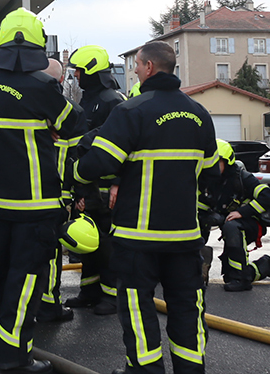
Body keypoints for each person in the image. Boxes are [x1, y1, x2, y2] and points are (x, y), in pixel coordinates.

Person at [74, 41, 218, 374]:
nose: (135, 71)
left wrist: (75, 171)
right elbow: (211, 173)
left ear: (149, 67)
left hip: (138, 237)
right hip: (184, 239)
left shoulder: (132, 111)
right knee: (187, 310)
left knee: (138, 310)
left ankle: (144, 370)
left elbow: (99, 163)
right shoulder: (199, 114)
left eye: (137, 65)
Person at [0, 9, 85, 373]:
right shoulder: (41, 87)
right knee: (25, 280)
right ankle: (13, 357)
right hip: (36, 207)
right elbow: (73, 123)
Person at [64, 45, 126, 316]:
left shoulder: (113, 101)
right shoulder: (88, 101)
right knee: (88, 239)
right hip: (87, 184)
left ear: (91, 69)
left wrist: (118, 182)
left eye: (79, 70)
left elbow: (126, 145)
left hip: (107, 187)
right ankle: (89, 292)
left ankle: (111, 297)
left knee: (108, 243)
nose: (76, 75)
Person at [201, 140, 270, 292]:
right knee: (229, 276)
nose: (211, 167)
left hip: (250, 223)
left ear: (228, 162)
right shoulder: (208, 181)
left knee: (232, 226)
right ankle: (262, 267)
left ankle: (242, 280)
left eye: (216, 163)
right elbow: (200, 204)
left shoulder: (242, 178)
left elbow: (267, 197)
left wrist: (241, 212)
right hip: (229, 223)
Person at [37, 58, 78, 324]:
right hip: (58, 198)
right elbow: (80, 157)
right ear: (61, 81)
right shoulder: (70, 112)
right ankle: (49, 304)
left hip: (27, 196)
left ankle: (33, 303)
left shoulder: (25, 107)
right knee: (51, 253)